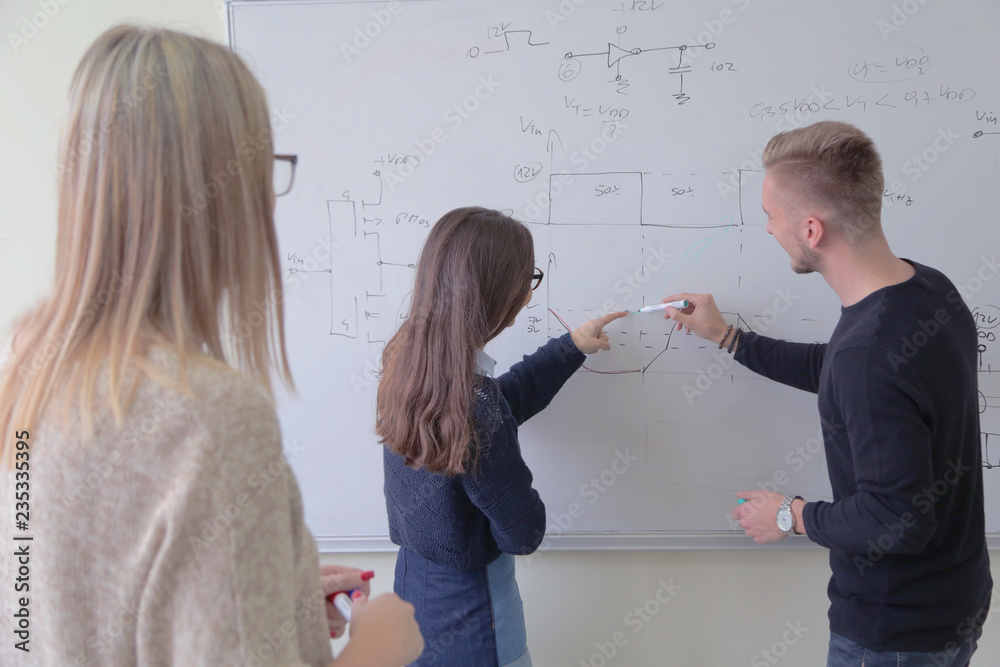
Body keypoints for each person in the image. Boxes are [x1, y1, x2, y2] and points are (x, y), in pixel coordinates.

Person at [0, 25, 422, 666]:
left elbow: (68, 608)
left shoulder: (30, 369)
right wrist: (379, 646)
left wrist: (267, 595)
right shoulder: (206, 414)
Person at [663, 121, 991, 666]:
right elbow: (839, 369)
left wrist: (791, 515)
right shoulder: (927, 289)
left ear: (811, 230)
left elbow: (896, 521)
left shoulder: (869, 354)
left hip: (893, 634)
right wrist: (727, 337)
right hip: (954, 603)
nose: (768, 228)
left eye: (771, 215)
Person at [376, 207, 627, 667]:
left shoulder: (407, 363)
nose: (529, 293)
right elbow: (522, 532)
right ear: (497, 293)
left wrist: (570, 348)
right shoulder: (475, 403)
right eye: (527, 279)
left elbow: (492, 411)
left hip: (413, 588)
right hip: (472, 609)